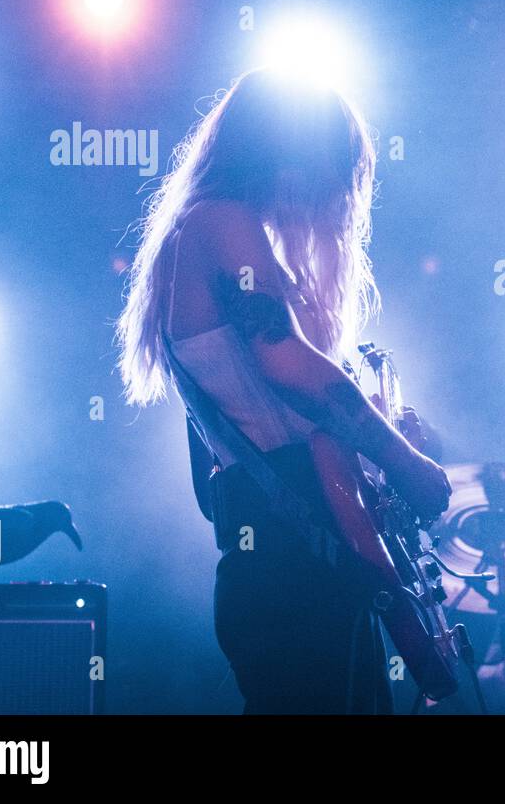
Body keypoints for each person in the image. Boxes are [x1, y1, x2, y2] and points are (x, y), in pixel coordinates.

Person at [117, 68, 451, 713]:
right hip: (291, 571)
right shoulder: (220, 222)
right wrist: (402, 462)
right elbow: (288, 361)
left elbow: (220, 483)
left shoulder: (212, 231)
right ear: (296, 154)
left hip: (288, 559)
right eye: (333, 170)